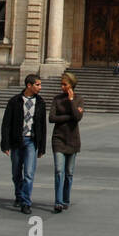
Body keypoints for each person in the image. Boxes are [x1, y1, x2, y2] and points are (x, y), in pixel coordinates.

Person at [1, 74, 46, 214]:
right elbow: (6, 123)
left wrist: (42, 147)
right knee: (16, 173)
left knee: (28, 173)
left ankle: (26, 202)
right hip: (16, 141)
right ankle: (19, 195)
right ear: (29, 85)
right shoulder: (15, 101)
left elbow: (42, 126)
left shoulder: (40, 102)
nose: (40, 87)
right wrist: (5, 144)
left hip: (31, 141)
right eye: (37, 85)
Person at [49, 72, 83, 213]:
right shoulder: (56, 99)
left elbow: (77, 118)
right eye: (61, 84)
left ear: (71, 85)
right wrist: (70, 116)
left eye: (65, 84)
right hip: (58, 138)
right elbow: (51, 118)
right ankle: (58, 201)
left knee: (69, 173)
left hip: (73, 140)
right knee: (58, 171)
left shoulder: (78, 99)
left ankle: (66, 199)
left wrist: (70, 101)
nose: (62, 87)